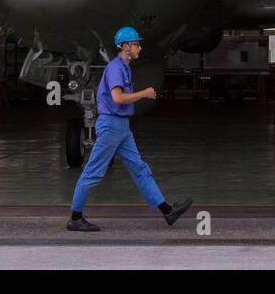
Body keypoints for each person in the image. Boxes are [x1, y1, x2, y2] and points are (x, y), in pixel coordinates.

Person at [66, 27, 191, 232]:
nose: (140, 48)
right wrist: (144, 93)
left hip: (122, 126)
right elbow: (117, 98)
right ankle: (75, 218)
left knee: (140, 169)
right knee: (93, 172)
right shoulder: (116, 68)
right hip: (111, 125)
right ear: (126, 47)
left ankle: (168, 212)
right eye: (136, 44)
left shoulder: (124, 68)